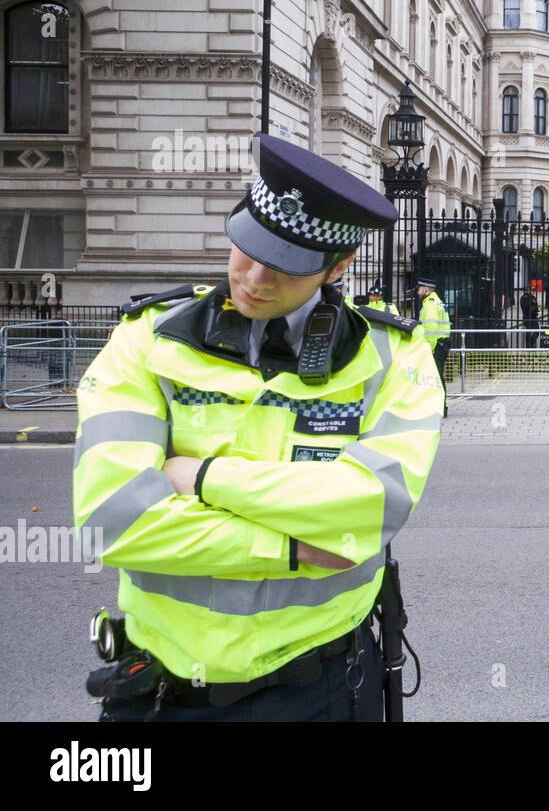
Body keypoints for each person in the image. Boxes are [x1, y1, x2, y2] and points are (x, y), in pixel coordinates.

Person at [72, 134, 442, 721]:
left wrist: (203, 477)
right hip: (163, 692)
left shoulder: (396, 358)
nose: (252, 278)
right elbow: (112, 523)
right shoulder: (146, 338)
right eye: (247, 249)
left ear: (337, 267)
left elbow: (369, 511)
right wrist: (292, 547)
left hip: (323, 685)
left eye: (284, 268)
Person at [416, 277, 451, 419]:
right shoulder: (437, 301)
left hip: (436, 345)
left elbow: (430, 328)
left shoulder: (430, 304)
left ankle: (439, 408)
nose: (418, 292)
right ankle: (439, 407)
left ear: (426, 290)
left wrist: (429, 348)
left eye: (419, 289)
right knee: (437, 376)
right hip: (442, 344)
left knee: (435, 377)